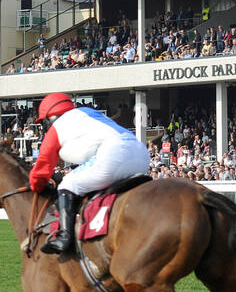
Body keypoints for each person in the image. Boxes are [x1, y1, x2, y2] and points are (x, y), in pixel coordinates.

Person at [28, 92, 152, 254]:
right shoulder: (89, 113)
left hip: (114, 154)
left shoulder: (58, 127)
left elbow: (42, 169)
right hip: (141, 154)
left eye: (44, 122)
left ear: (51, 118)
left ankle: (64, 238)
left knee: (68, 184)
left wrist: (35, 185)